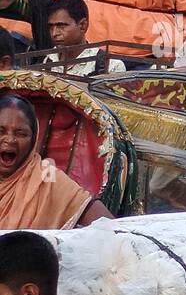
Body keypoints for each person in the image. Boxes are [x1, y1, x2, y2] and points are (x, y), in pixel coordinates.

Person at [0, 95, 112, 230]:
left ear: (33, 139)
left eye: (21, 134)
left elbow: (112, 228)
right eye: (1, 131)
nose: (10, 140)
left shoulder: (48, 180)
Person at [44, 0, 125, 77]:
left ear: (83, 25)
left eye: (61, 26)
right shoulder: (49, 60)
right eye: (51, 27)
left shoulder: (111, 66)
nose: (54, 33)